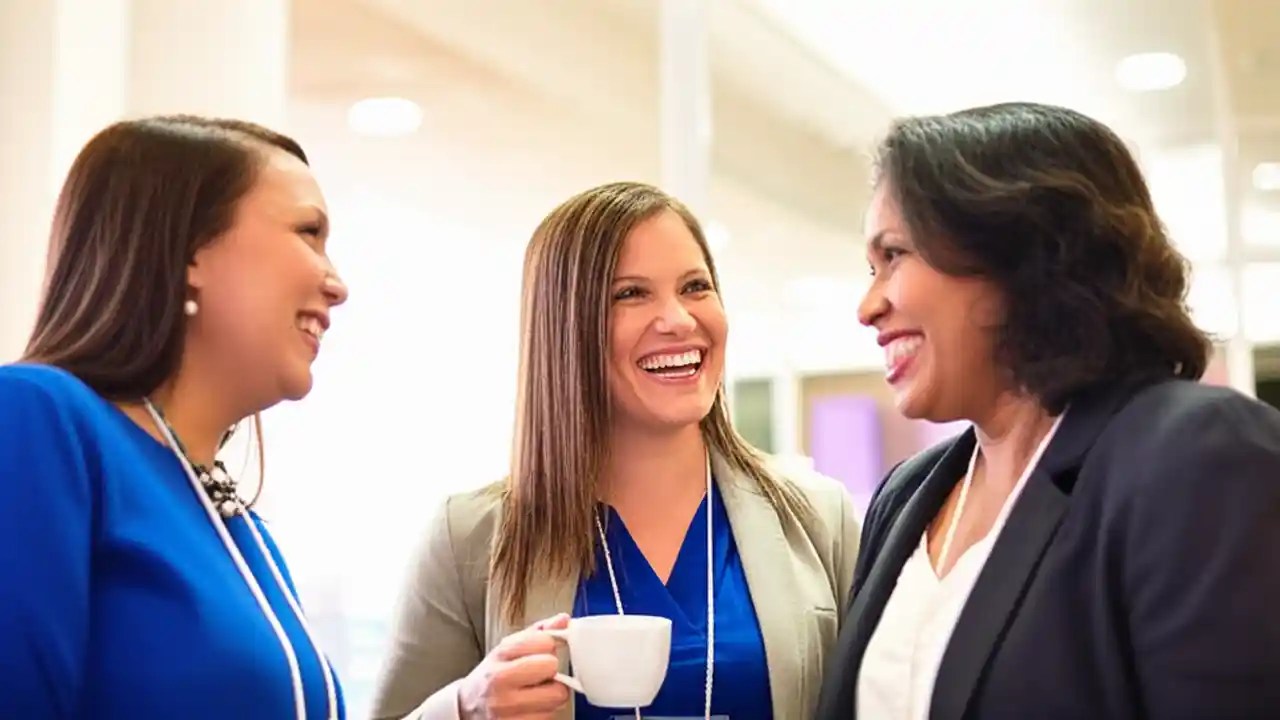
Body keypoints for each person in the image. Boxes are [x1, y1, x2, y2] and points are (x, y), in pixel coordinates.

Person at [814, 101, 1280, 720]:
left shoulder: (1196, 455)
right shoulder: (909, 493)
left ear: (1020, 251)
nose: (867, 306)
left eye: (894, 256)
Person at [370, 181, 860, 720]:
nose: (679, 319)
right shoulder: (469, 538)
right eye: (631, 294)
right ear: (565, 327)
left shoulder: (818, 517)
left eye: (695, 287)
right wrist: (465, 708)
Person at [0, 116, 350, 719]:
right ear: (190, 249)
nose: (337, 285)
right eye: (308, 232)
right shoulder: (37, 417)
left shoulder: (239, 524)